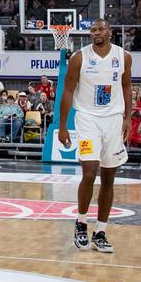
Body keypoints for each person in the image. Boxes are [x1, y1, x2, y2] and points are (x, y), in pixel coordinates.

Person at [58, 19, 131, 254]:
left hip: (113, 120)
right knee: (89, 171)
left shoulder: (124, 56)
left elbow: (127, 87)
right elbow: (67, 91)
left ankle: (100, 231)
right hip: (87, 119)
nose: (95, 33)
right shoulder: (79, 57)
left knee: (109, 178)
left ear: (109, 31)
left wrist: (128, 117)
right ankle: (81, 223)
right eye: (92, 30)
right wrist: (62, 126)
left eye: (99, 29)